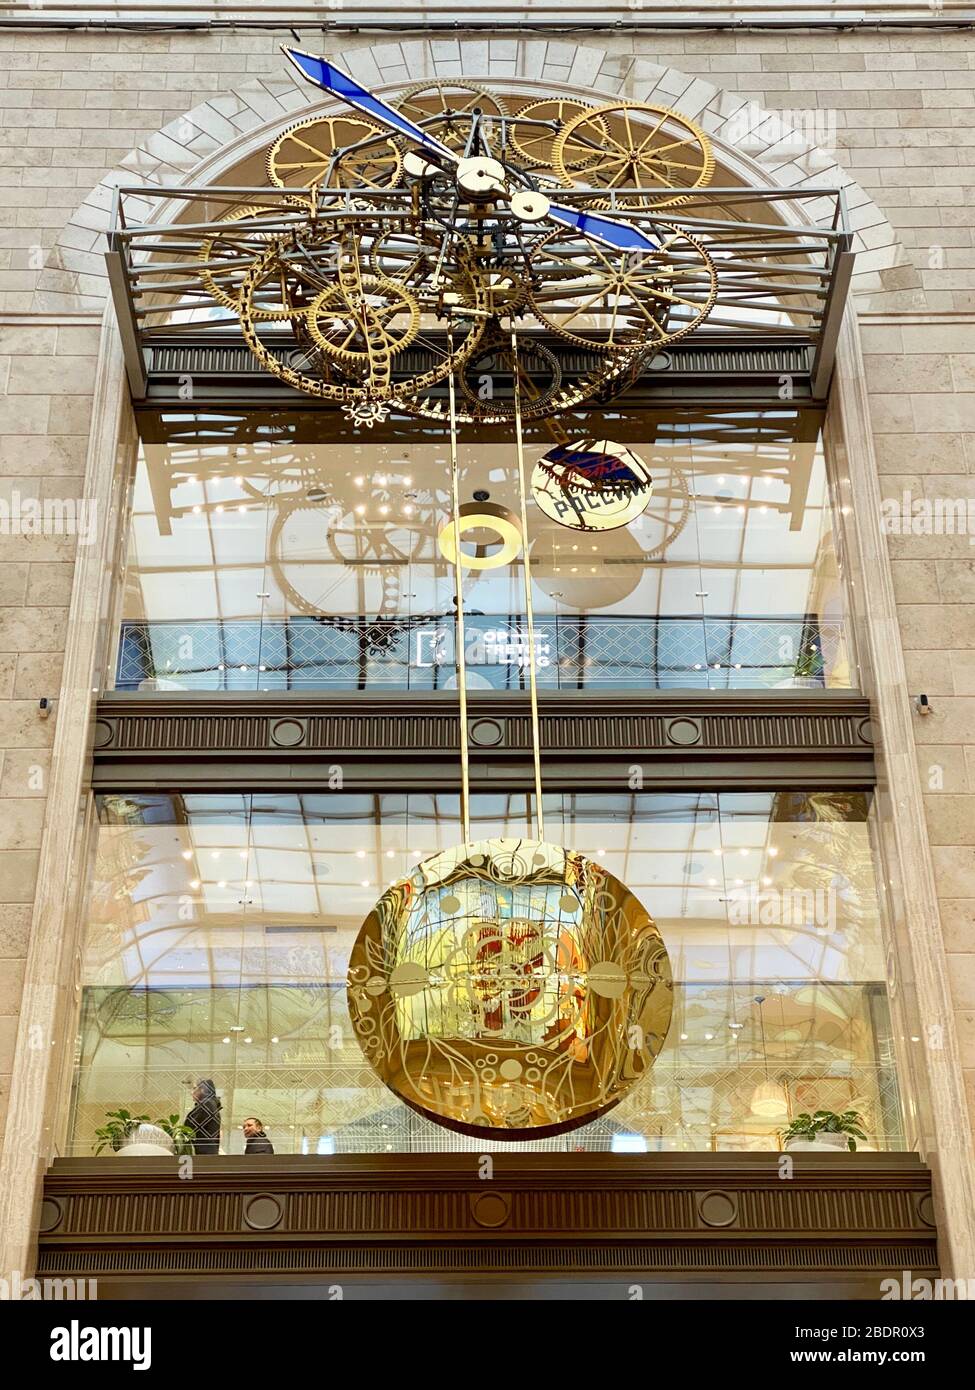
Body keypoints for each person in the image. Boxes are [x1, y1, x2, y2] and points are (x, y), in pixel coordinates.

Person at [183, 1078, 221, 1155]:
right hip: (206, 1154)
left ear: (203, 1090)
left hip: (202, 1154)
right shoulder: (210, 1104)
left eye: (194, 1088)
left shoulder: (207, 1105)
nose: (192, 1092)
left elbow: (190, 1128)